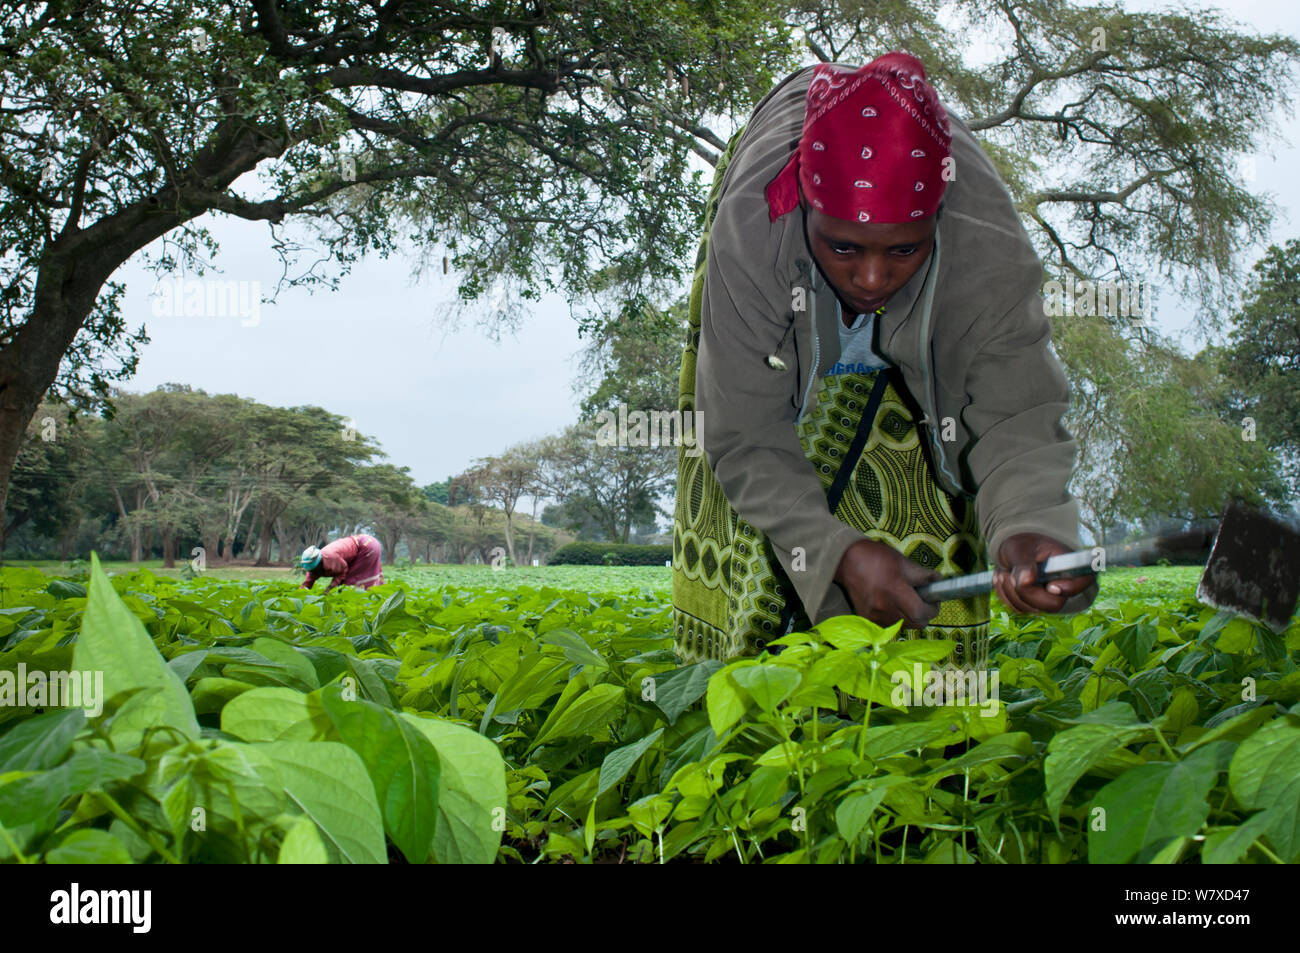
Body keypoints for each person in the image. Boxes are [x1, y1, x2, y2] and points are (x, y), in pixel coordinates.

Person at [671, 52, 1097, 670]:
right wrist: (832, 551)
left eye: (904, 249)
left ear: (938, 223)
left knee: (916, 498)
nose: (872, 278)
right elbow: (740, 426)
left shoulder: (987, 251)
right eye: (843, 245)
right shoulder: (756, 227)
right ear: (806, 210)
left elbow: (1017, 405)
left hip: (942, 298)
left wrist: (1030, 524)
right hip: (770, 308)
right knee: (755, 541)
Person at [299, 534, 384, 591]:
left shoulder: (330, 558)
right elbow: (308, 582)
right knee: (345, 586)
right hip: (365, 542)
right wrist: (300, 594)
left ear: (319, 563)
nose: (313, 572)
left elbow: (343, 571)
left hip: (366, 546)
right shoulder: (314, 568)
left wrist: (330, 588)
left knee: (350, 584)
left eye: (314, 569)